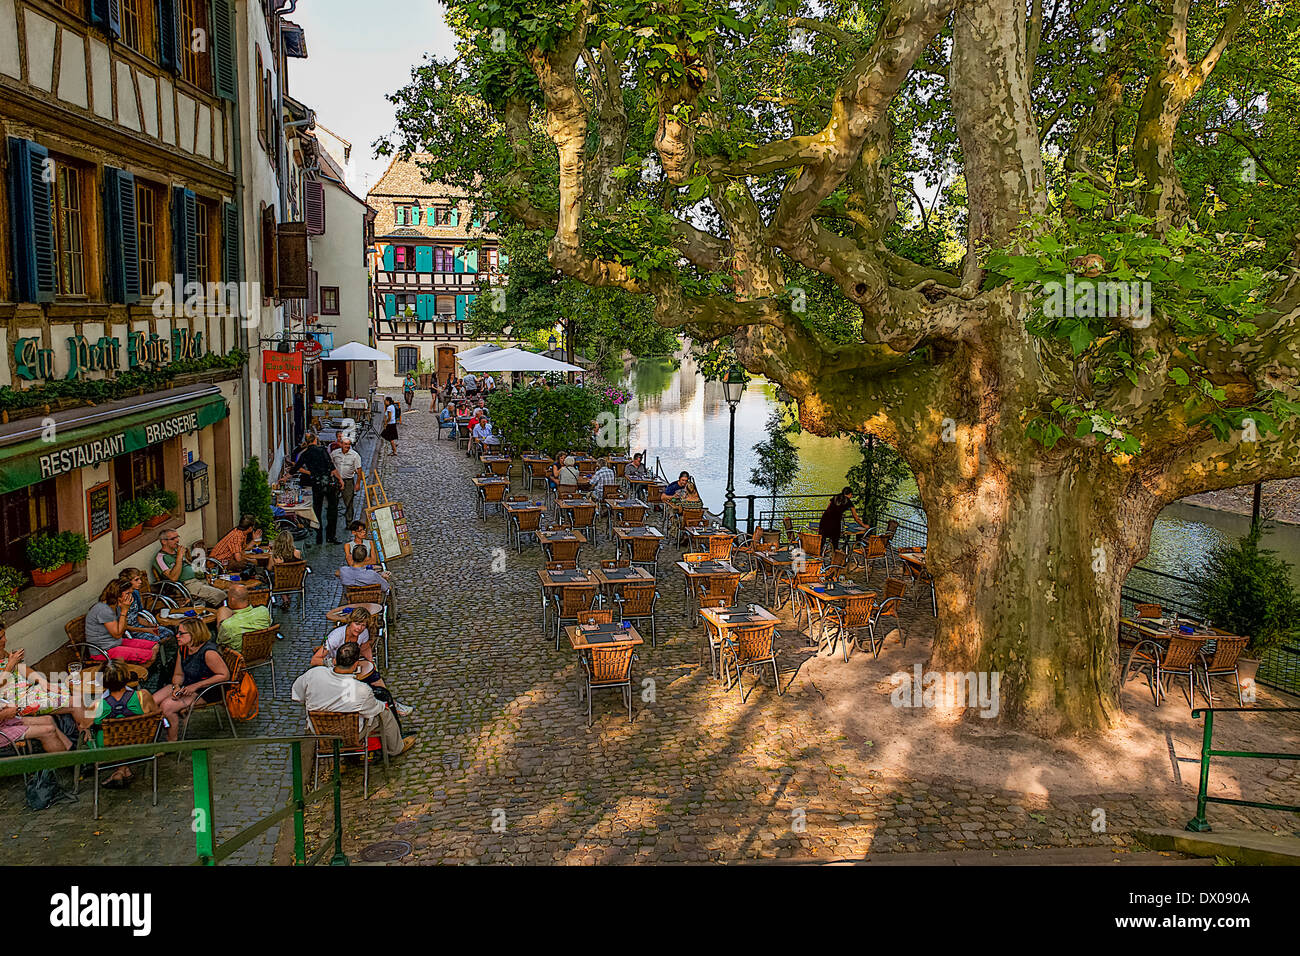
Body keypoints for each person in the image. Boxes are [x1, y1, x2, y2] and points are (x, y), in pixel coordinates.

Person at [291, 643, 415, 758]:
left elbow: (298, 695)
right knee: (384, 712)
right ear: (356, 664)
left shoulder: (313, 674)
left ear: (336, 660)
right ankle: (396, 748)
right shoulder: (361, 690)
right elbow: (374, 710)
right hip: (351, 733)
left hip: (320, 731)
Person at [309, 609, 412, 717]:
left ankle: (391, 704)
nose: (359, 628)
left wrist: (371, 662)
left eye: (363, 625)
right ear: (350, 622)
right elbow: (314, 660)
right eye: (357, 624)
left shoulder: (363, 633)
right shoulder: (336, 636)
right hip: (335, 670)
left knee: (375, 676)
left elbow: (365, 647)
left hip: (352, 666)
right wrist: (333, 662)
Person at [75, 661, 158, 786]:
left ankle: (120, 770)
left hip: (107, 749)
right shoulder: (143, 696)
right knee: (125, 734)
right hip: (140, 743)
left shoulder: (97, 705)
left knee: (85, 731)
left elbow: (83, 725)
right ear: (127, 677)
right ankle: (122, 770)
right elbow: (157, 714)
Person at [152, 618, 229, 742]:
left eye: (181, 633)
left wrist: (196, 686)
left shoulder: (208, 653)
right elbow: (178, 674)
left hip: (208, 690)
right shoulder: (182, 649)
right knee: (151, 701)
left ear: (194, 634)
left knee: (166, 706)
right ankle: (155, 732)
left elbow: (224, 675)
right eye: (178, 632)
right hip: (187, 685)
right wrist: (177, 686)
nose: (177, 636)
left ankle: (172, 740)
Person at [85, 580, 161, 666]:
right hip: (104, 651)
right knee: (150, 656)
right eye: (128, 593)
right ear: (117, 595)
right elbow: (117, 634)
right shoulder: (103, 610)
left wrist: (146, 629)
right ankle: (137, 676)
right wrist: (124, 611)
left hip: (116, 642)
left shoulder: (116, 606)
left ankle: (136, 672)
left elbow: (123, 628)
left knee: (154, 646)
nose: (130, 596)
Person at [154, 530, 228, 605]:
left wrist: (204, 573)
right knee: (220, 595)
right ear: (164, 542)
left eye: (177, 537)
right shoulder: (161, 558)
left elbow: (189, 565)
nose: (177, 540)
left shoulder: (177, 550)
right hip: (187, 584)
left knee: (231, 589)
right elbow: (173, 578)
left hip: (199, 579)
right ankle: (221, 612)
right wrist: (179, 557)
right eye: (173, 539)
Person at [295, 432, 344, 545]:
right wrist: (340, 479)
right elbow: (331, 466)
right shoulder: (322, 450)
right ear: (315, 440)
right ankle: (330, 536)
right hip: (328, 483)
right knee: (332, 509)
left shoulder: (305, 454)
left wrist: (284, 478)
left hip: (316, 484)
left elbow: (295, 468)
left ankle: (319, 536)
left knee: (317, 509)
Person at [116, 567, 174, 645]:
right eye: (136, 580)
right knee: (156, 639)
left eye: (140, 579)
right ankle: (155, 653)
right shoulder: (121, 598)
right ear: (127, 582)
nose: (140, 582)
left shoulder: (135, 593)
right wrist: (147, 630)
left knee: (169, 633)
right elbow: (123, 626)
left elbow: (138, 617)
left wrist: (151, 625)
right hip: (130, 632)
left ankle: (161, 652)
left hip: (140, 626)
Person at [215, 583, 273, 653]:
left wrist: (220, 623)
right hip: (262, 652)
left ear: (232, 600)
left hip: (237, 658)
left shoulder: (228, 625)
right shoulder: (264, 611)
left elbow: (220, 641)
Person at [818, 487, 865, 555]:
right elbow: (856, 517)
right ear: (850, 494)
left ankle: (818, 556)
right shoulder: (848, 501)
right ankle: (835, 557)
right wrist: (864, 525)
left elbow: (828, 508)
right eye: (851, 495)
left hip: (825, 520)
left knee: (822, 539)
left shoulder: (835, 497)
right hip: (835, 522)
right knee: (835, 541)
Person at [330, 437, 364, 525]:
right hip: (336, 480)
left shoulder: (355, 455)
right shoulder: (334, 453)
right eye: (345, 444)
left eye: (349, 444)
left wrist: (358, 483)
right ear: (341, 444)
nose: (347, 446)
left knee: (348, 502)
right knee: (333, 501)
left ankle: (349, 522)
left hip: (348, 480)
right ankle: (332, 521)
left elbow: (359, 470)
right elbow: (330, 464)